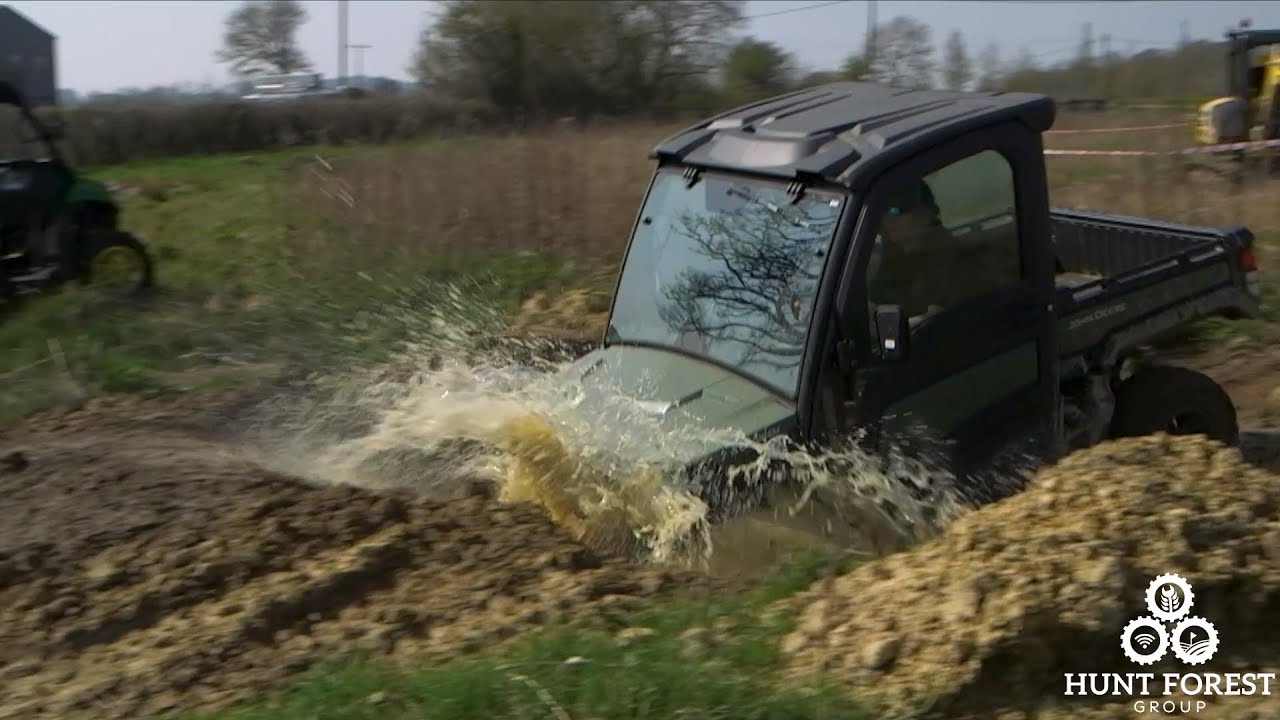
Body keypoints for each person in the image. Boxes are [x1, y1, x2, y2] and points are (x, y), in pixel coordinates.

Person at [866, 179, 954, 319]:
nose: (886, 219)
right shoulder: (893, 252)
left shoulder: (948, 257)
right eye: (883, 211)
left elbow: (940, 317)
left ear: (924, 214)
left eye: (895, 211)